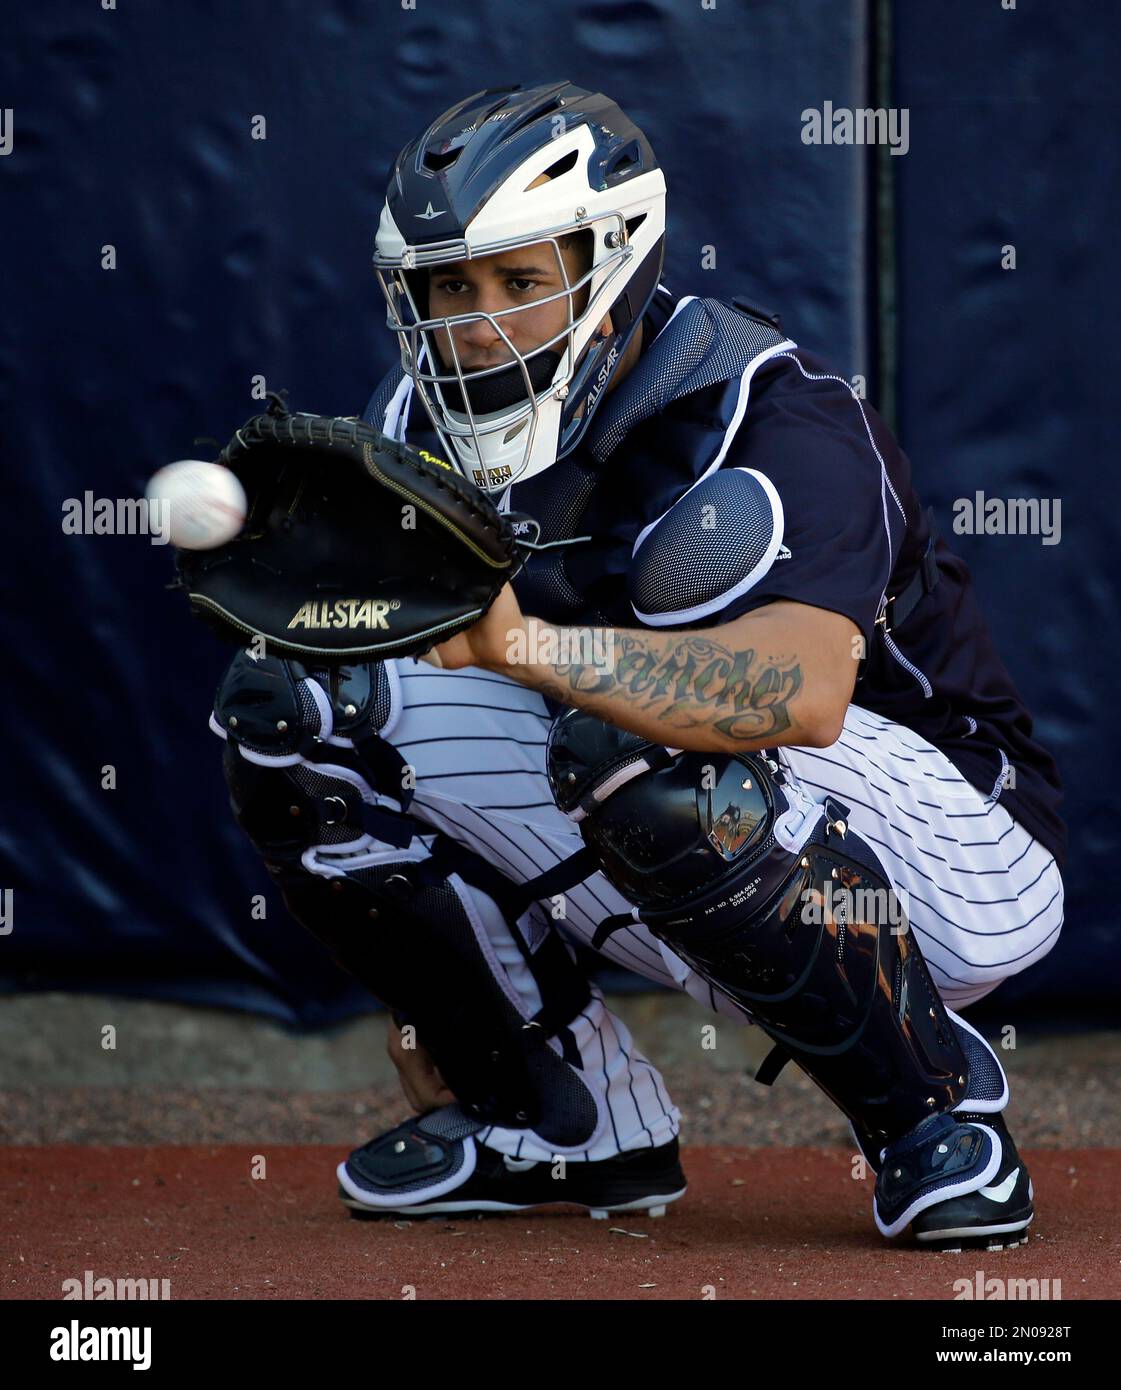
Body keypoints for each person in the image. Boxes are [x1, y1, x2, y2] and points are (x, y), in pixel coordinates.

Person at [211, 80, 1065, 1247]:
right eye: (451, 287)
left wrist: (526, 644)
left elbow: (801, 690)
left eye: (520, 280)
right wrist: (432, 1004)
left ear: (611, 265)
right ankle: (558, 1113)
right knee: (294, 715)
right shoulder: (411, 427)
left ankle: (930, 1111)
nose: (478, 324)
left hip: (956, 853)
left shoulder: (767, 410)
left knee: (641, 731)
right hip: (661, 812)